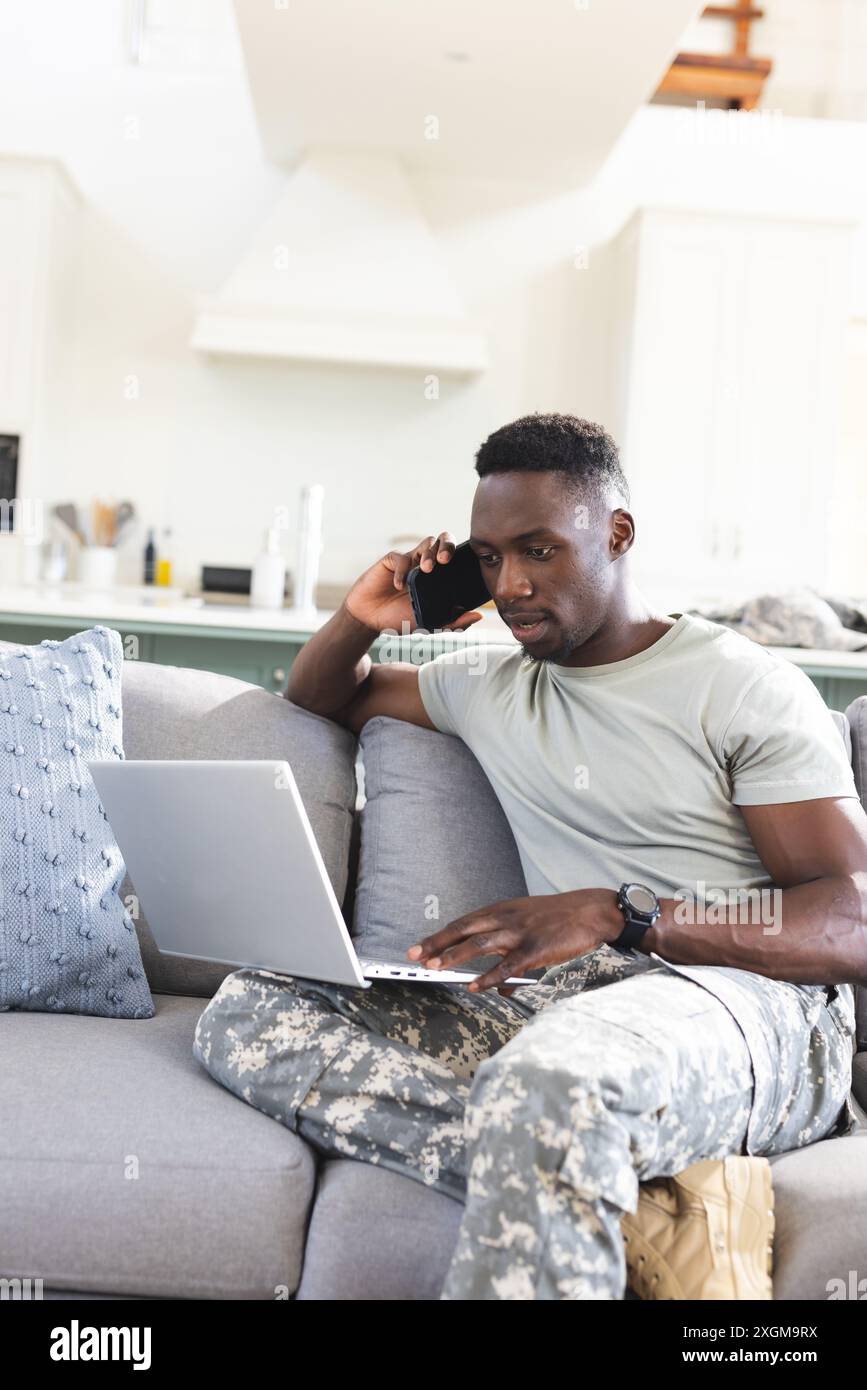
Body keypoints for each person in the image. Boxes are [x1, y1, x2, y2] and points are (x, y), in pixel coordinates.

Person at [193, 413, 867, 1300]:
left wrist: (624, 914)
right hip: (570, 1009)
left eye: (539, 551)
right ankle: (627, 1199)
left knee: (548, 1084)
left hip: (747, 1007)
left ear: (616, 534)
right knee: (253, 1012)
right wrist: (361, 618)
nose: (510, 585)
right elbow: (323, 695)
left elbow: (850, 917)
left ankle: (565, 1148)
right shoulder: (488, 684)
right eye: (489, 558)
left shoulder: (740, 685)